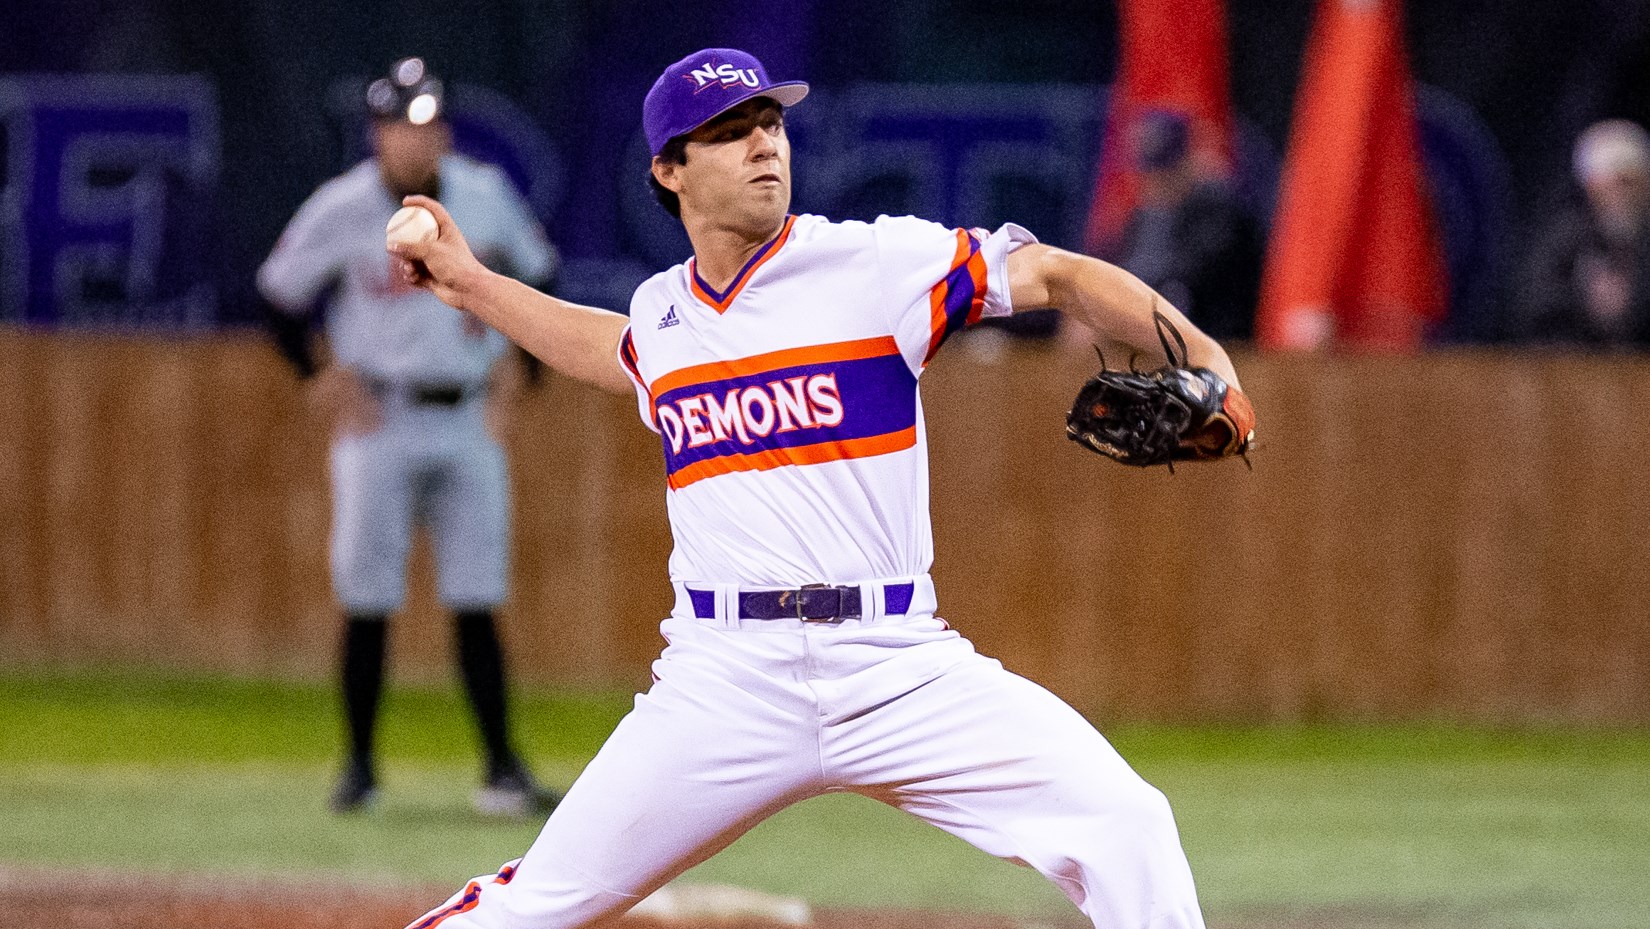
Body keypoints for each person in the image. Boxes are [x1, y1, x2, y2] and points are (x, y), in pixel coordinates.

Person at [394, 49, 1252, 929]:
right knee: (531, 905)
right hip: (723, 679)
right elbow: (611, 351)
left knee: (1125, 825)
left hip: (894, 662)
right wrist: (469, 285)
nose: (763, 144)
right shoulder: (664, 315)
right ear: (669, 170)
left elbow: (1058, 275)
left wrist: (1205, 357)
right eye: (729, 133)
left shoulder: (876, 265)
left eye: (770, 123)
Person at [256, 57, 561, 817]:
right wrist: (318, 374)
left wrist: (525, 372)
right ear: (376, 133)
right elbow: (279, 296)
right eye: (399, 125)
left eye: (425, 124)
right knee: (367, 595)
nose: (414, 139)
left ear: (443, 130)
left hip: (464, 414)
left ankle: (501, 769)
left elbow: (541, 278)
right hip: (380, 419)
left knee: (477, 593)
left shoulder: (483, 196)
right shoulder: (343, 207)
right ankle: (358, 768)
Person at [1110, 109, 1262, 342]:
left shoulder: (1219, 209)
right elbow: (1121, 264)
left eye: (1166, 172)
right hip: (1158, 339)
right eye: (1150, 171)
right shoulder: (1145, 215)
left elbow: (1189, 274)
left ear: (1189, 160)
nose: (1156, 181)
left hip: (1221, 344)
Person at [1520, 119, 1650, 346]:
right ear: (1590, 186)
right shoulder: (1564, 239)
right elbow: (1534, 308)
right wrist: (1586, 305)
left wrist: (1633, 306)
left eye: (1629, 182)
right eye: (1611, 182)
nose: (1620, 194)